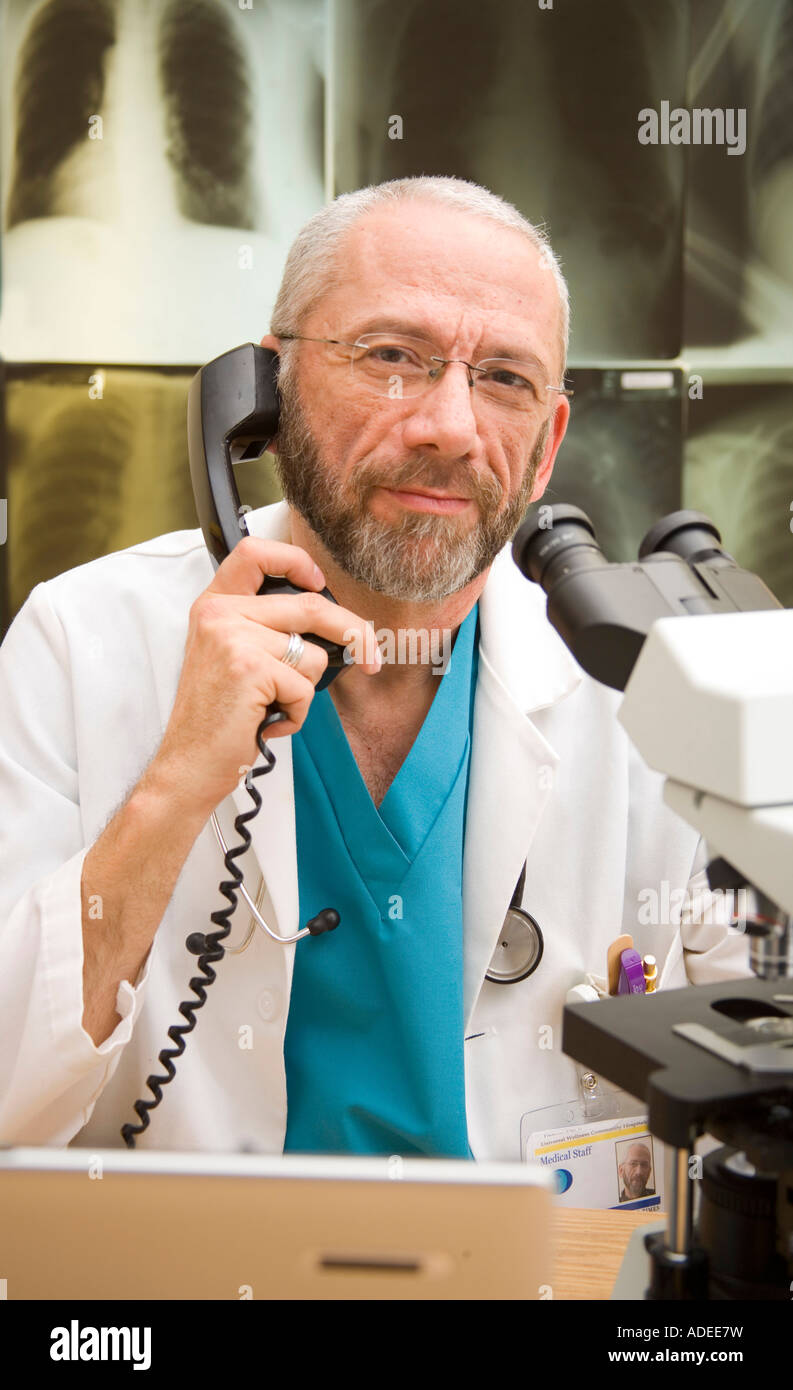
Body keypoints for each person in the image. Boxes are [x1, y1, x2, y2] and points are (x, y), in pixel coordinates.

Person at [0, 176, 749, 1161]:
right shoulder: (80, 640)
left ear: (547, 446)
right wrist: (180, 778)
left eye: (504, 379)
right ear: (263, 393)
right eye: (392, 357)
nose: (447, 425)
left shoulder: (635, 684)